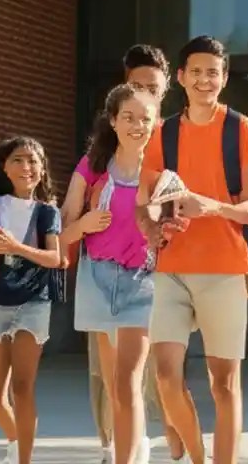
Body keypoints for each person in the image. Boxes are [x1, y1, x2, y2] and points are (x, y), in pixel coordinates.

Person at [136, 35, 248, 464]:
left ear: (224, 78)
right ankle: (197, 454)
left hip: (225, 268)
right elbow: (144, 205)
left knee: (224, 383)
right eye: (195, 71)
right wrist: (154, 227)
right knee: (164, 375)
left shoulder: (242, 131)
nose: (204, 79)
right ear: (180, 78)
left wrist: (213, 206)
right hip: (171, 267)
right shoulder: (162, 134)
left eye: (213, 72)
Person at [62, 44, 188, 464]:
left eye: (145, 118)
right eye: (128, 117)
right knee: (116, 383)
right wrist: (83, 226)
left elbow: (173, 228)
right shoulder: (93, 165)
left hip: (142, 283)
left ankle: (134, 456)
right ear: (113, 120)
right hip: (97, 279)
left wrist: (161, 225)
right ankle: (124, 449)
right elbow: (63, 224)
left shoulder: (165, 173)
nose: (137, 124)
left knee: (129, 378)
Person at [0, 136, 64, 464]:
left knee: (22, 388)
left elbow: (54, 258)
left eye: (33, 161)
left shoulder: (47, 212)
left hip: (34, 303)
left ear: (42, 170)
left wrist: (17, 248)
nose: (26, 166)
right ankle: (17, 442)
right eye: (18, 159)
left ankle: (24, 459)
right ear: (4, 167)